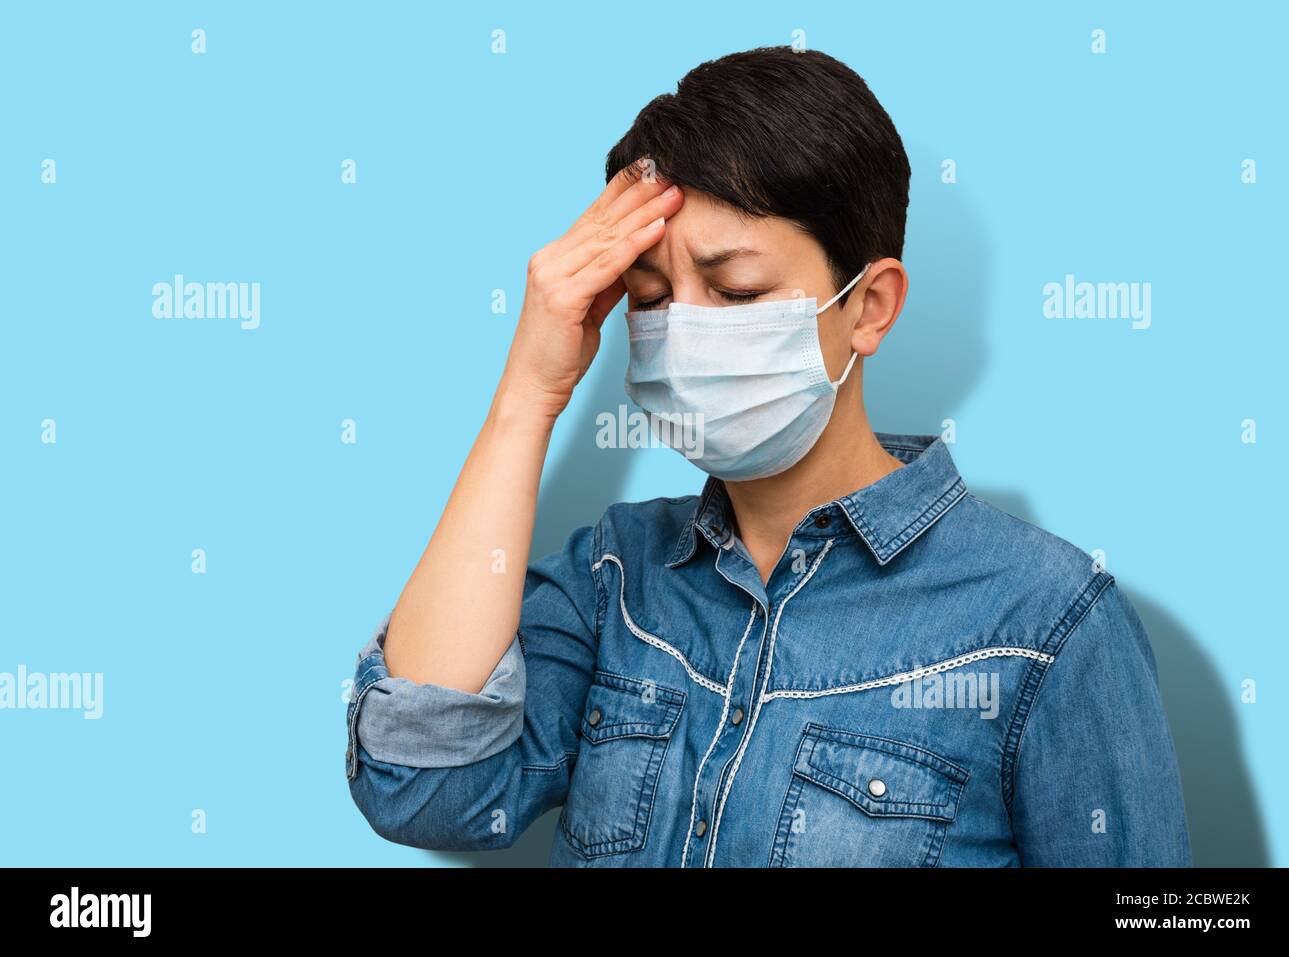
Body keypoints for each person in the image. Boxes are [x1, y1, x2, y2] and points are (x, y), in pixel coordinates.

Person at [344, 46, 1192, 867]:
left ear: (870, 305)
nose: (682, 331)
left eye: (737, 292)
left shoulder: (1047, 623)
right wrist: (526, 397)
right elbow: (420, 785)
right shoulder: (615, 578)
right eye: (649, 298)